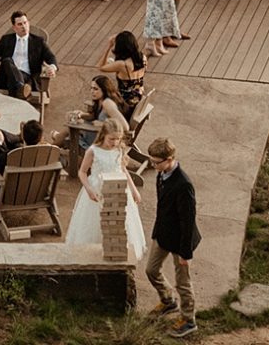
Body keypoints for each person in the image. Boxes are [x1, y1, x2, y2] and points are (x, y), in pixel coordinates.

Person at [66, 112, 144, 253]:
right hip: (97, 188)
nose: (114, 142)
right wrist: (89, 189)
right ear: (103, 135)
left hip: (118, 189)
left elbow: (123, 170)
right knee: (95, 222)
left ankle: (116, 250)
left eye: (117, 139)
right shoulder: (93, 151)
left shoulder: (119, 149)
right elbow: (82, 172)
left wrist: (134, 190)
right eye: (111, 139)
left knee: (119, 221)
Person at [146, 138, 201, 336]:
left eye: (156, 162)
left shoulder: (183, 184)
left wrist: (185, 253)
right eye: (151, 161)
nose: (153, 166)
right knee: (151, 270)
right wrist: (157, 231)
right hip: (163, 233)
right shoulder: (161, 174)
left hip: (180, 241)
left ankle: (189, 319)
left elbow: (188, 220)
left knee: (183, 282)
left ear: (169, 159)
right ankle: (168, 300)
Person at [0, 10, 56, 102]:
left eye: (25, 23)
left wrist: (52, 68)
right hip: (8, 76)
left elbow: (51, 57)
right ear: (14, 27)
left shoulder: (38, 42)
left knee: (12, 84)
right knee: (7, 61)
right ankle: (21, 89)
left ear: (28, 23)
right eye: (20, 24)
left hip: (28, 78)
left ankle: (18, 91)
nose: (24, 26)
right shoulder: (6, 40)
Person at [0, 117, 47, 211]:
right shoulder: (47, 155)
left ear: (24, 136)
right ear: (40, 138)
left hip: (10, 196)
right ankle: (12, 137)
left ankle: (2, 136)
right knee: (11, 142)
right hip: (35, 194)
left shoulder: (12, 156)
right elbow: (63, 162)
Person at [97, 31, 147, 115]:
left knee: (100, 92)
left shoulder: (122, 64)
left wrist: (109, 46)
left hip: (125, 103)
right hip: (138, 99)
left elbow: (100, 67)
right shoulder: (143, 57)